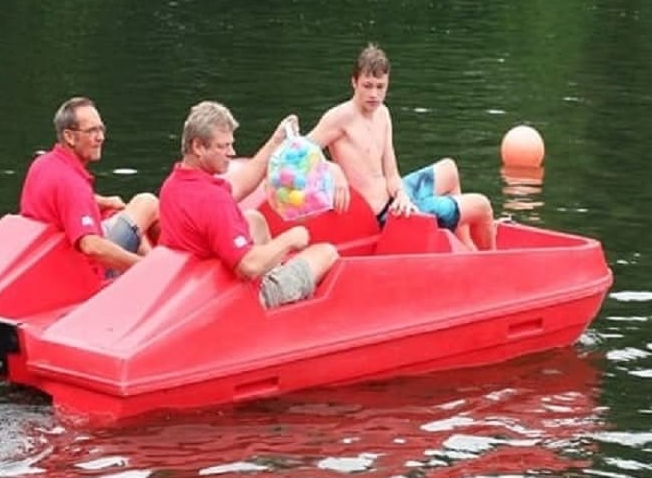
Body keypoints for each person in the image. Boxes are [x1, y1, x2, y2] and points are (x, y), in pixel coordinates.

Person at [308, 43, 496, 250]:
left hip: (397, 200)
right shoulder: (340, 117)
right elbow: (297, 152)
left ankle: (465, 248)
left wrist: (401, 195)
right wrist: (332, 170)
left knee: (449, 169)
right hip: (382, 217)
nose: (374, 95)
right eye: (367, 85)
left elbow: (391, 173)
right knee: (483, 205)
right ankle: (489, 264)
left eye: (380, 87)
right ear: (354, 82)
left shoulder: (383, 114)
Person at [158, 101, 339, 309]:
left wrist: (275, 141)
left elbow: (239, 184)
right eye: (223, 146)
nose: (232, 152)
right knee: (326, 252)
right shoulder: (214, 201)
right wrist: (290, 239)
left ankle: (275, 271)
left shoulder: (174, 185)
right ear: (198, 146)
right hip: (237, 298)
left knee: (254, 219)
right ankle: (280, 290)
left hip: (198, 287)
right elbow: (249, 266)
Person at [20, 96, 160, 276]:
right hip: (86, 269)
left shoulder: (42, 164)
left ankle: (153, 263)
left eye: (101, 129)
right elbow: (91, 247)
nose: (100, 138)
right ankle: (160, 272)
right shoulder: (72, 183)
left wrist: (105, 202)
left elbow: (63, 202)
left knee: (117, 214)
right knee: (147, 203)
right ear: (69, 136)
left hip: (53, 260)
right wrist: (146, 268)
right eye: (92, 131)